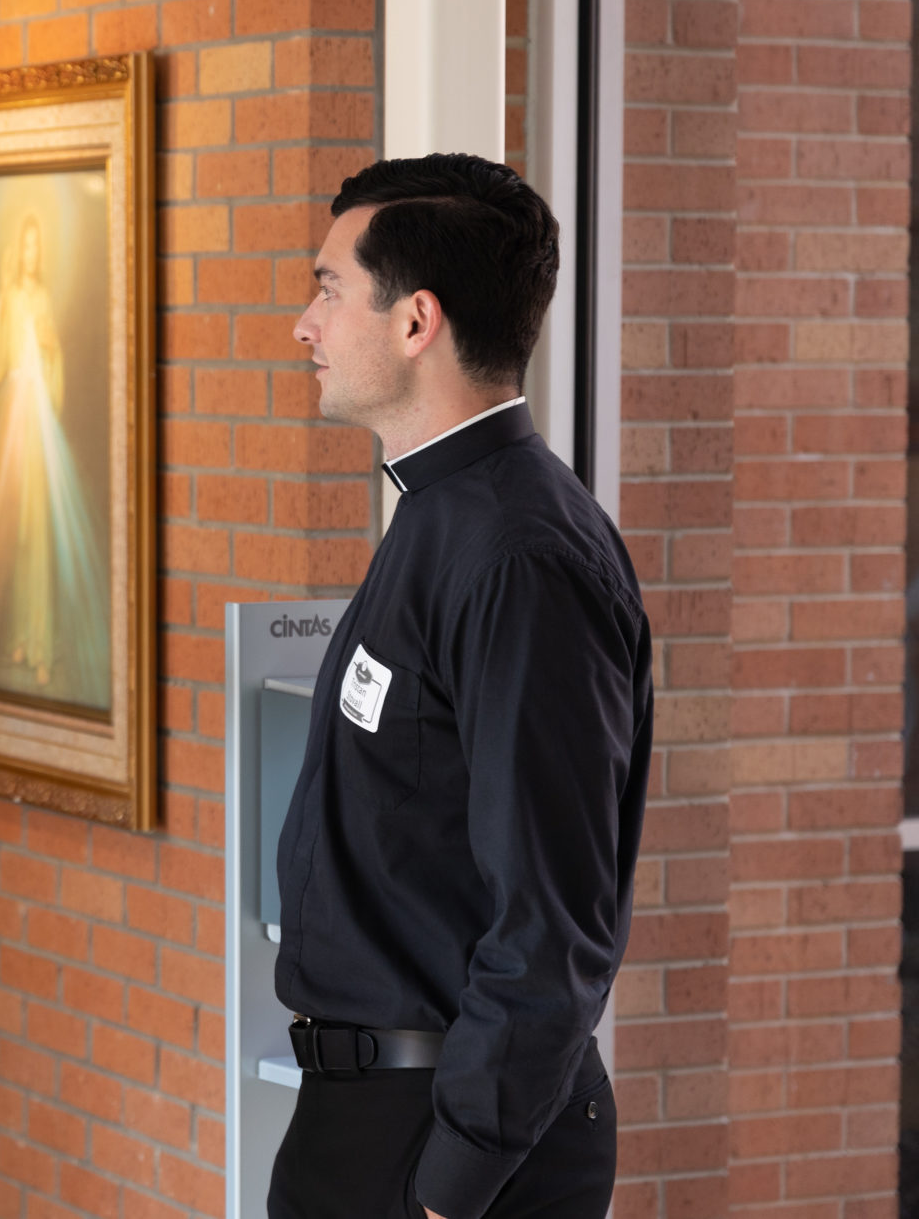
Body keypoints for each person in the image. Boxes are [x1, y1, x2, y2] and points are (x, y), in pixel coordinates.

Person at [270, 155, 652, 1219]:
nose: (305, 323)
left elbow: (550, 912)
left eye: (328, 288)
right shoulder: (442, 520)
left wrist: (453, 1182)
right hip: (373, 1118)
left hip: (446, 1139)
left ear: (413, 322)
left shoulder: (515, 554)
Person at [0, 210, 105, 706]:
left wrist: (50, 352)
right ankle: (22, 639)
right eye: (26, 246)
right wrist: (4, 303)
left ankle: (42, 642)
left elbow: (54, 365)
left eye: (37, 247)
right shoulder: (12, 299)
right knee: (17, 532)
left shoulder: (44, 297)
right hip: (14, 421)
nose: (32, 255)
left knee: (41, 532)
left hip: (41, 418)